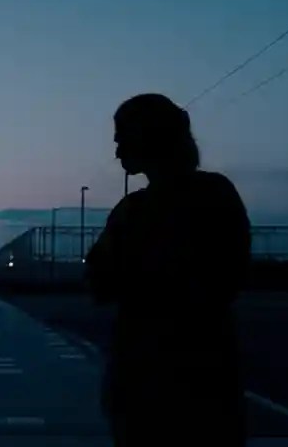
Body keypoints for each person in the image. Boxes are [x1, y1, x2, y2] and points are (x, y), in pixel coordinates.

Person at [84, 93, 252, 446]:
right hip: (204, 372)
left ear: (149, 137)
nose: (117, 151)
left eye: (122, 138)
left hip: (154, 373)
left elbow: (100, 281)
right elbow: (227, 274)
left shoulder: (134, 210)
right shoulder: (214, 194)